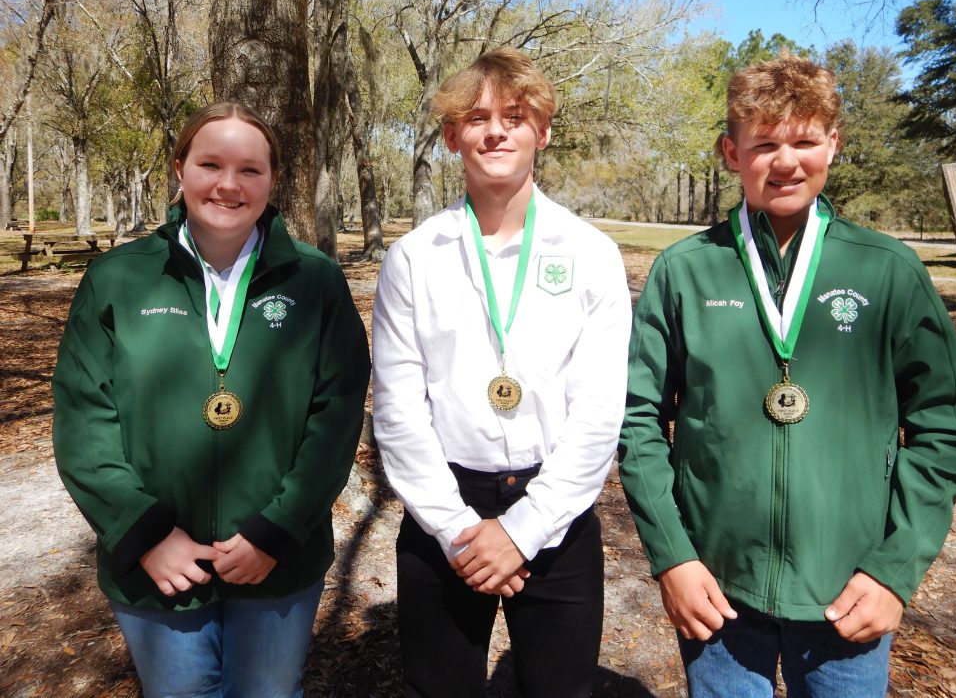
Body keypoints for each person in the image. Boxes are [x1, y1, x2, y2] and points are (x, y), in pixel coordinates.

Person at [618, 55, 956, 697]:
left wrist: (894, 570)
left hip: (847, 592)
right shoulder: (685, 272)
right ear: (731, 153)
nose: (785, 161)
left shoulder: (886, 270)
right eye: (764, 143)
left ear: (833, 145)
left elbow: (949, 425)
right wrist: (672, 556)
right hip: (718, 590)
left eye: (805, 141)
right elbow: (637, 418)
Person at [52, 102, 371, 697]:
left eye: (250, 169)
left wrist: (278, 529)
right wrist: (144, 534)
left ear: (273, 179)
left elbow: (338, 413)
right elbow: (82, 419)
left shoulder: (315, 280)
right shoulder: (118, 278)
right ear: (180, 169)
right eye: (210, 164)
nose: (229, 184)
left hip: (277, 559)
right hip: (157, 567)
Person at [371, 47, 631, 697]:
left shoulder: (590, 254)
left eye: (514, 116)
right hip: (443, 515)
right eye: (477, 116)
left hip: (558, 513)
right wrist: (460, 528)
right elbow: (399, 410)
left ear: (541, 131)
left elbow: (599, 411)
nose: (495, 130)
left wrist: (523, 529)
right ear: (453, 135)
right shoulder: (413, 258)